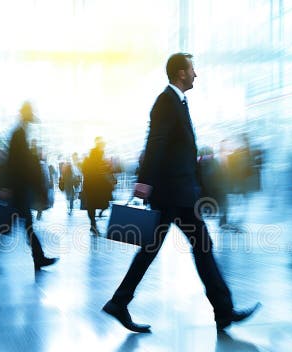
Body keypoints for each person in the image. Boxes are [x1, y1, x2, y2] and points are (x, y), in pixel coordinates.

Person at [102, 53, 260, 333]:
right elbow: (156, 141)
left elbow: (179, 150)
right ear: (180, 74)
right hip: (171, 194)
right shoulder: (166, 102)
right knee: (194, 247)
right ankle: (223, 311)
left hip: (179, 192)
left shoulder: (178, 102)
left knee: (174, 248)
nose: (196, 74)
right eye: (192, 69)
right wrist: (145, 180)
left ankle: (120, 301)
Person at [0, 102, 58, 273]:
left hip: (18, 190)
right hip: (18, 191)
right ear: (25, 116)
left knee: (19, 226)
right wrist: (8, 186)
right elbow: (14, 164)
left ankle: (38, 258)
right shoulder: (18, 133)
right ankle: (37, 258)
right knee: (18, 226)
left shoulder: (20, 132)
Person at [81, 137, 115, 235]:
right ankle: (93, 225)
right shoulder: (98, 157)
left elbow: (85, 170)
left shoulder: (91, 158)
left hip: (91, 186)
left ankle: (93, 224)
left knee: (92, 206)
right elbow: (102, 172)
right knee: (96, 204)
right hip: (95, 186)